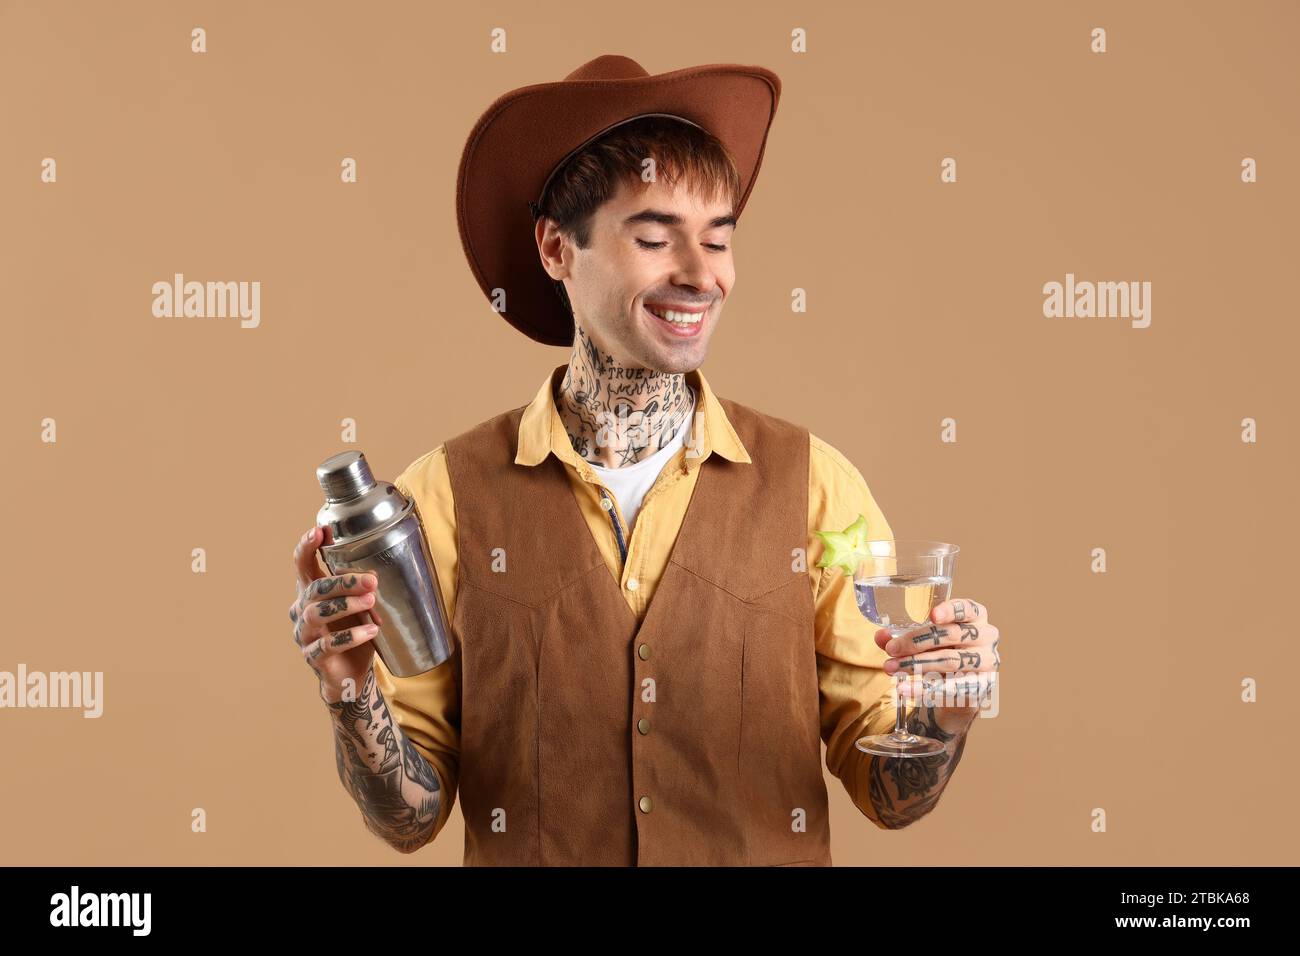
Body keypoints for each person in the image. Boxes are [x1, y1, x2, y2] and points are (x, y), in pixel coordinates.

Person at [288, 55, 1000, 865]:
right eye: (656, 238)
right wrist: (349, 690)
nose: (701, 276)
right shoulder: (445, 496)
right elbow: (408, 820)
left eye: (719, 240)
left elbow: (888, 795)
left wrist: (942, 713)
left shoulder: (816, 488)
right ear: (558, 249)